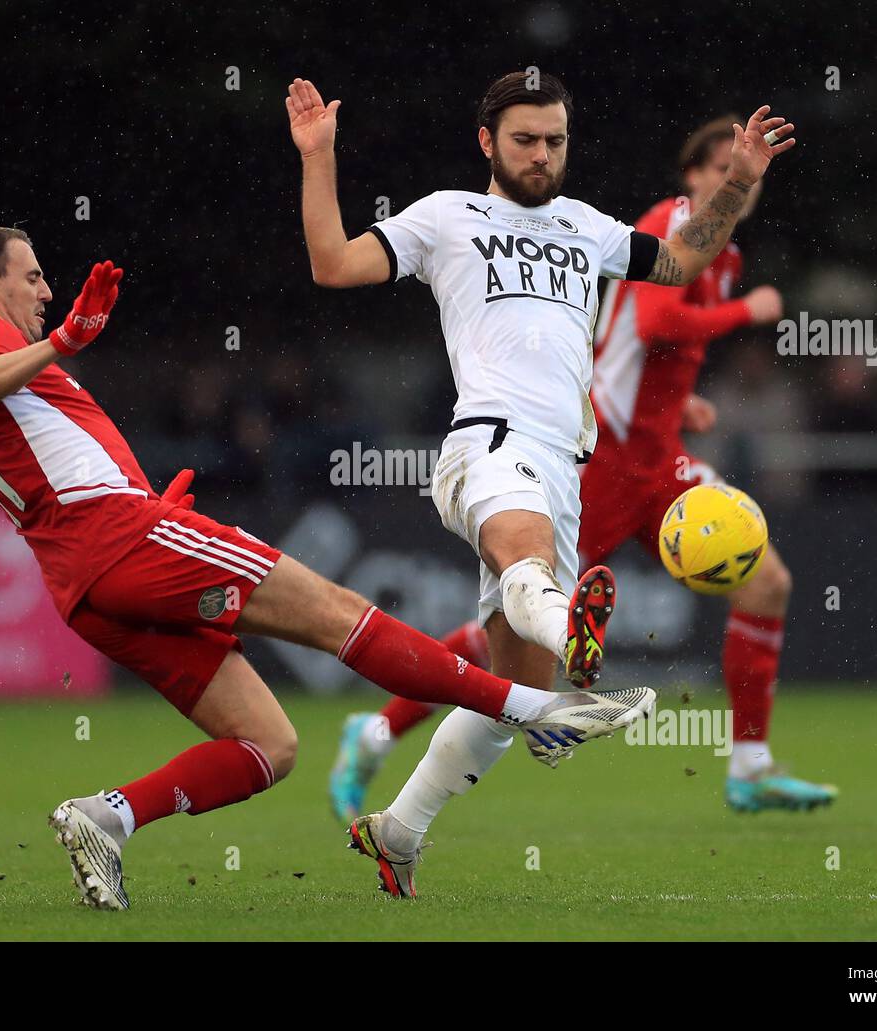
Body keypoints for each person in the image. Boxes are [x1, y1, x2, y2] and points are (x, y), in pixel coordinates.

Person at [0, 225, 632, 908]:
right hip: (120, 538)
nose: (47, 289)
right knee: (336, 615)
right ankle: (540, 710)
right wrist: (63, 342)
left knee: (269, 743)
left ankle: (105, 818)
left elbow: (10, 437)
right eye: (32, 274)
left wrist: (139, 503)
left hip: (84, 577)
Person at [290, 74, 796, 894]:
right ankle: (577, 634)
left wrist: (737, 181)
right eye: (524, 139)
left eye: (555, 140)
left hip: (564, 465)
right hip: (488, 443)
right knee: (531, 579)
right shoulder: (447, 214)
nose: (541, 154)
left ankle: (399, 828)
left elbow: (681, 259)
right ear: (487, 142)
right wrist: (318, 158)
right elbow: (332, 263)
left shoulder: (585, 227)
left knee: (514, 698)